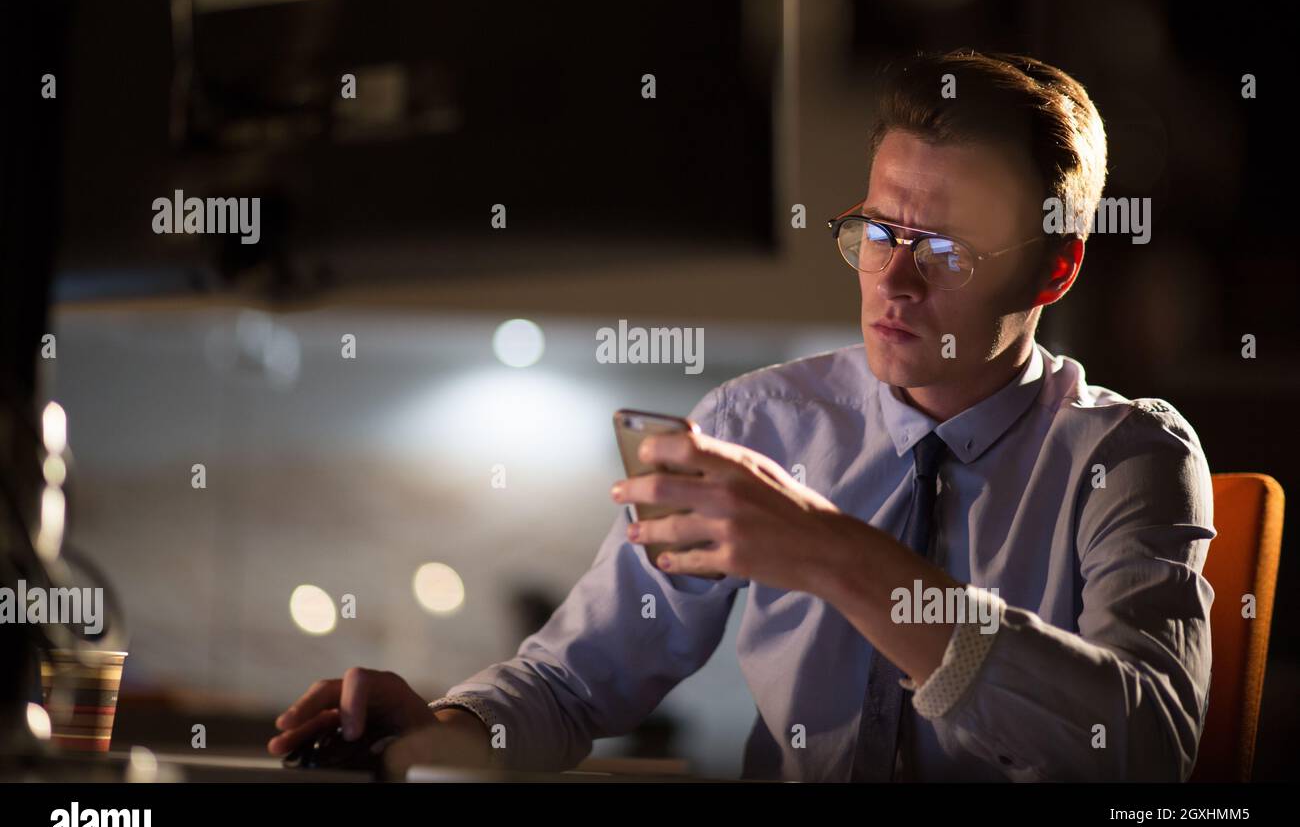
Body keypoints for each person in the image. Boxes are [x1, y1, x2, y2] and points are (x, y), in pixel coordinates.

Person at [267, 49, 1216, 781]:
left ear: (1057, 265)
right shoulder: (759, 421)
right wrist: (441, 731)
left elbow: (1145, 750)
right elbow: (571, 680)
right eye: (879, 231)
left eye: (949, 249)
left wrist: (831, 553)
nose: (895, 278)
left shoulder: (1130, 455)